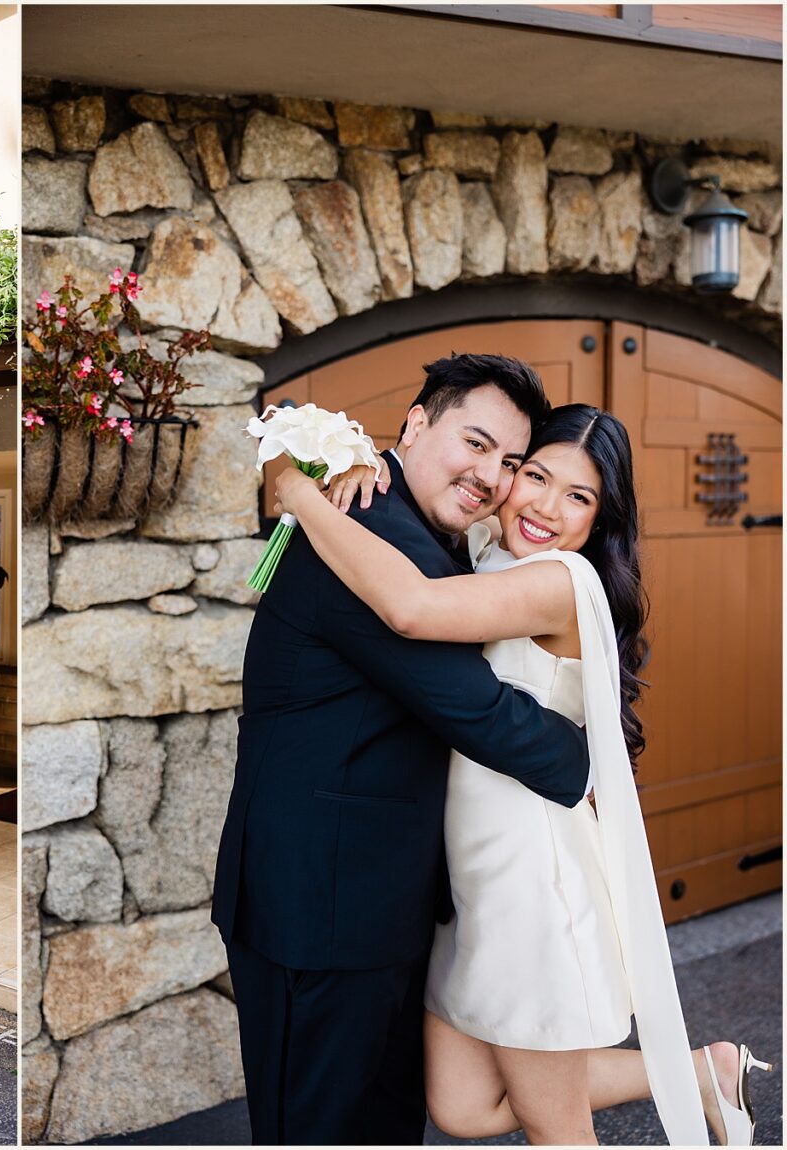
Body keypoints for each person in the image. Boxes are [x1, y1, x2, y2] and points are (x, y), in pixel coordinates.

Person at [274, 403, 771, 1145]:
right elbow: (412, 488)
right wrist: (339, 460)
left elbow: (410, 608)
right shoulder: (489, 545)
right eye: (535, 475)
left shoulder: (562, 581)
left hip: (529, 890)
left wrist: (298, 493)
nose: (545, 505)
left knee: (557, 1132)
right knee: (463, 1107)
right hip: (467, 884)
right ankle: (704, 1070)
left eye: (579, 497)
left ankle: (702, 1073)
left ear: (600, 520)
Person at [211, 354, 594, 1145]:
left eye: (510, 463)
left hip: (370, 898)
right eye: (476, 443)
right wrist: (590, 766)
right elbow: (474, 708)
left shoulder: (407, 518)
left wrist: (298, 472)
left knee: (379, 1123)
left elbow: (289, 432)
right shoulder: (365, 527)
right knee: (322, 1128)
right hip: (322, 904)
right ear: (416, 424)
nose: (491, 476)